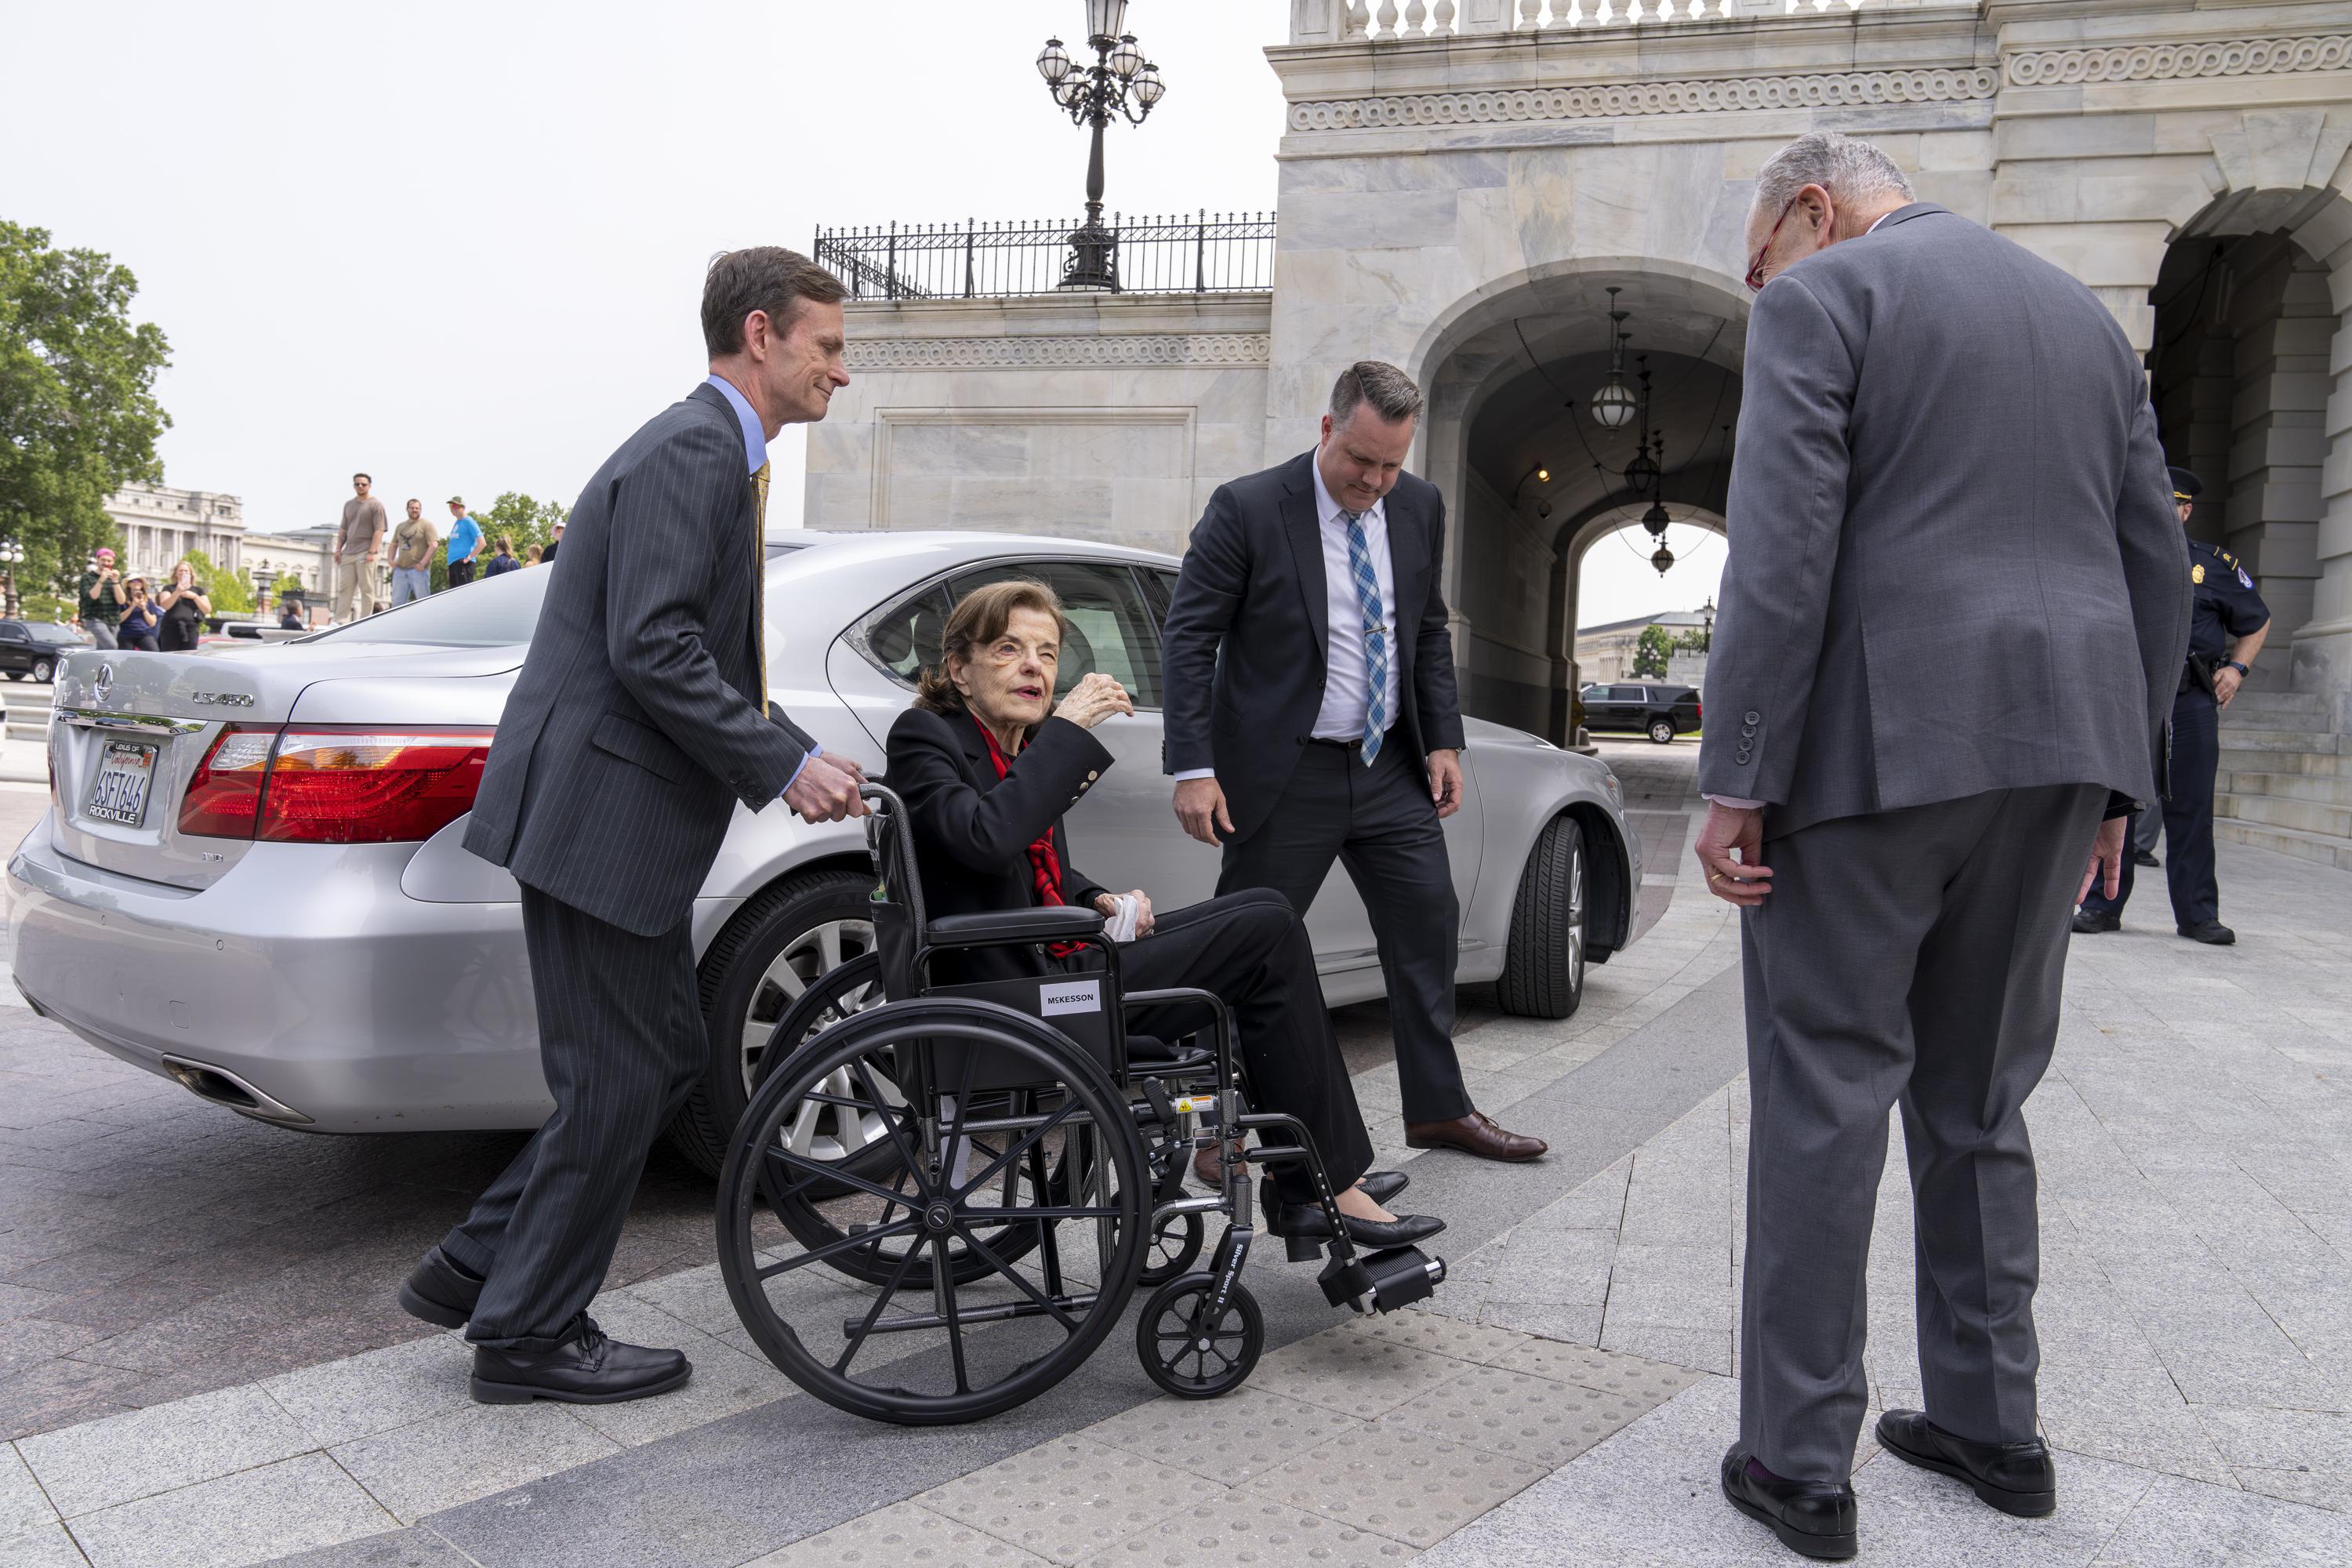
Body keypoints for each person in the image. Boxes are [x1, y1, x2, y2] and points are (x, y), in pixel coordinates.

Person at [1696, 132, 2187, 1559]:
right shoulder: (2085, 322)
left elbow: (1782, 549)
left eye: (1757, 255)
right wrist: (2119, 787)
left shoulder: (1826, 300)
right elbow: (2150, 552)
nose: (1756, 283)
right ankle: (1992, 1424)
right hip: (2060, 752)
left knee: (1827, 1088)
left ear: (1810, 209)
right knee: (1982, 1095)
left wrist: (1737, 775)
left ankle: (1798, 1461)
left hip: (1873, 753)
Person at [397, 246, 868, 1406]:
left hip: (609, 821)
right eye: (829, 346)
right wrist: (781, 764)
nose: (841, 373)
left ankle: (479, 1266)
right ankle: (528, 1335)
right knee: (616, 1080)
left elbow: (686, 651)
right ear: (760, 334)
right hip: (602, 821)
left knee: (654, 1060)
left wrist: (797, 746)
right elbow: (652, 645)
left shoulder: (711, 454)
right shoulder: (696, 449)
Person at [888, 579, 1438, 1248]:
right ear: (958, 669)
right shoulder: (926, 735)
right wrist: (1066, 730)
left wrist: (1096, 899)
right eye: (1008, 649)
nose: (1035, 666)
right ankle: (1316, 1184)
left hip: (1055, 965)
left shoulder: (1013, 746)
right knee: (1264, 931)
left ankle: (1297, 1174)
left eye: (1047, 652)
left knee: (1265, 913)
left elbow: (1023, 862)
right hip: (1016, 997)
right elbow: (984, 837)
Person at [1161, 360, 1545, 1173]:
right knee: (1244, 944)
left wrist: (1442, 740)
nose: (1374, 481)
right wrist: (1192, 763)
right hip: (1283, 774)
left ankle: (1439, 1108)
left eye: (1391, 465)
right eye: (1361, 460)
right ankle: (1216, 1124)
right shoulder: (1250, 507)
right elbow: (1190, 638)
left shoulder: (1418, 507)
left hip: (1386, 768)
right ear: (1328, 428)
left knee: (1427, 928)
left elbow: (1428, 629)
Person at [2074, 466, 2269, 946]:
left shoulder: (2212, 564)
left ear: (2186, 511)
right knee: (2115, 802)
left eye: (2175, 504)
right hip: (2128, 700)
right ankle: (2101, 905)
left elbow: (2257, 620)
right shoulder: (2114, 554)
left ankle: (2198, 915)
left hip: (2189, 701)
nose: (2166, 510)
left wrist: (2237, 670)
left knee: (2193, 810)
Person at [336, 474, 388, 621]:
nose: (360, 487)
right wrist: (339, 549)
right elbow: (343, 529)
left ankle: (365, 620)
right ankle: (340, 620)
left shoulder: (376, 505)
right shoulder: (349, 505)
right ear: (354, 486)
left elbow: (379, 529)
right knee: (345, 588)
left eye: (363, 484)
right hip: (349, 552)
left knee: (367, 588)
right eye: (357, 484)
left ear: (369, 486)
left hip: (366, 551)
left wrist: (372, 551)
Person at [154, 560, 212, 652]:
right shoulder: (169, 588)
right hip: (170, 628)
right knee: (169, 655)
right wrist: (177, 592)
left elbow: (207, 609)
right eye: (181, 571)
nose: (183, 573)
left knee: (189, 656)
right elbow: (165, 605)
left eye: (186, 571)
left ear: (191, 574)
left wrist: (194, 597)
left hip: (190, 629)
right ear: (176, 574)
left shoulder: (198, 590)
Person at [389, 498, 438, 605]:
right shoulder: (400, 526)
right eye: (412, 508)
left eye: (417, 508)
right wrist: (390, 560)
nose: (414, 510)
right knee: (397, 604)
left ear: (420, 510)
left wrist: (423, 563)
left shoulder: (426, 525)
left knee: (423, 602)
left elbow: (434, 545)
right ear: (407, 509)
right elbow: (393, 544)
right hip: (400, 570)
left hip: (418, 571)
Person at [77, 549, 124, 649]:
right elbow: (92, 597)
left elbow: (121, 601)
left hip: (113, 619)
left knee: (103, 652)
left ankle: (95, 665)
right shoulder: (88, 577)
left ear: (113, 562)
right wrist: (101, 580)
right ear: (97, 560)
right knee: (112, 646)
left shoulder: (114, 578)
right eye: (103, 560)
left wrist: (115, 581)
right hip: (95, 618)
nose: (106, 563)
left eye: (109, 561)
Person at [445, 498, 484, 586]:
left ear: (463, 507)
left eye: (455, 505)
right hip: (453, 564)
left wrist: (469, 558)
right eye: (450, 506)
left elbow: (482, 542)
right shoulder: (457, 523)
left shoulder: (469, 522)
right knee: (455, 596)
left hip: (463, 562)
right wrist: (450, 566)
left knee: (465, 595)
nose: (452, 508)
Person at [118, 579, 160, 652]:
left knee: (155, 653)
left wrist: (144, 609)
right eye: (134, 581)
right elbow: (118, 620)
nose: (137, 583)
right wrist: (132, 606)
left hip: (145, 634)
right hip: (126, 634)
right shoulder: (123, 600)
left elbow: (152, 623)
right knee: (126, 657)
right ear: (128, 584)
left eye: (139, 581)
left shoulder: (149, 601)